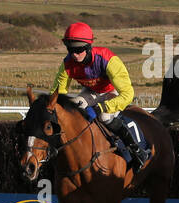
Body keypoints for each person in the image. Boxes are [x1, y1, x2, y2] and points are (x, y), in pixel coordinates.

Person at [50, 22, 148, 165]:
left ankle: (136, 149)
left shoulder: (108, 60)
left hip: (111, 91)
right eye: (70, 50)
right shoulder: (67, 63)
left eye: (79, 50)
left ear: (88, 47)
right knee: (73, 110)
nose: (74, 55)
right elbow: (57, 93)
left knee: (104, 116)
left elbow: (127, 94)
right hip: (91, 92)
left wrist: (103, 106)